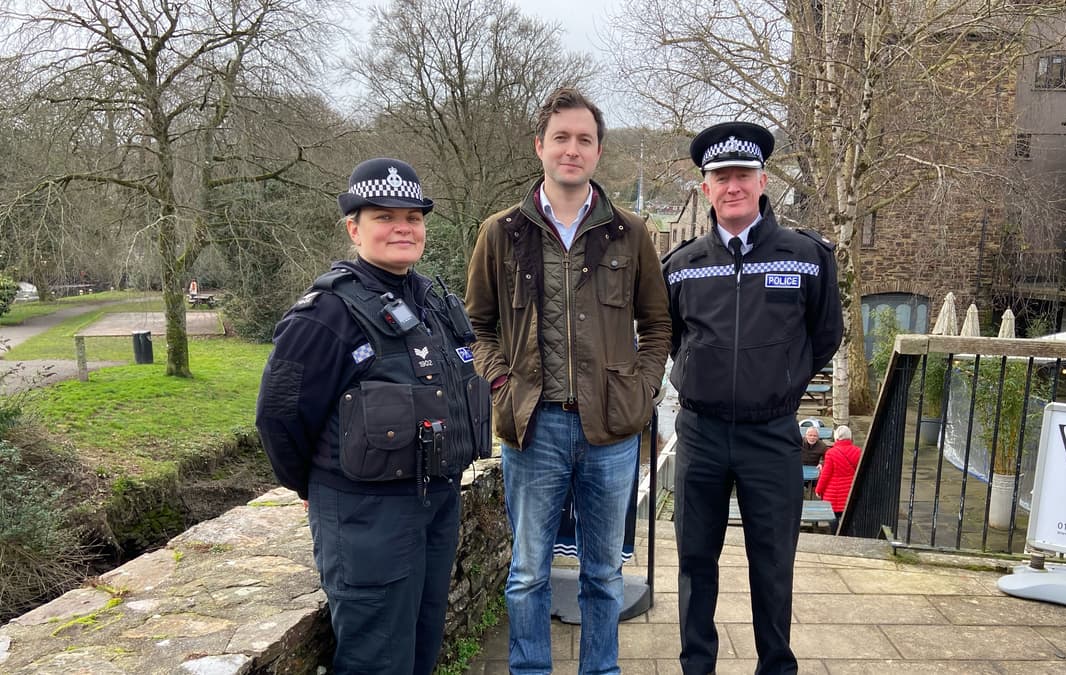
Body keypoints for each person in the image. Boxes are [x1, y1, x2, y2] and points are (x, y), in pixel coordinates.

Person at [255, 158, 492, 674]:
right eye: (384, 216)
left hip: (436, 501)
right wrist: (314, 489)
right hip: (367, 514)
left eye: (413, 216)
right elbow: (278, 416)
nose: (402, 227)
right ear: (354, 228)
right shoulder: (325, 315)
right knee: (376, 660)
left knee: (423, 643)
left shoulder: (431, 301)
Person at [465, 87, 671, 674]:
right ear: (540, 147)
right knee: (528, 572)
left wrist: (642, 388)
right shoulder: (500, 232)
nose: (572, 149)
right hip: (533, 428)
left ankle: (600, 669)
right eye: (561, 138)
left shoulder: (630, 233)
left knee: (604, 572)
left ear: (599, 150)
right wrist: (503, 385)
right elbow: (477, 325)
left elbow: (658, 325)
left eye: (584, 139)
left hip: (611, 430)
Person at [662, 121, 844, 675]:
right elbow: (671, 339)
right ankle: (698, 665)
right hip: (701, 434)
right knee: (695, 561)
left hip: (771, 435)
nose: (732, 185)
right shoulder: (681, 266)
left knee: (772, 563)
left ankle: (776, 666)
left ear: (763, 181)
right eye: (720, 176)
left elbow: (826, 334)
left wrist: (783, 382)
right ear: (704, 188)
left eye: (743, 174)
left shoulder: (808, 256)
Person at [815, 425, 863, 529]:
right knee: (848, 514)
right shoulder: (858, 451)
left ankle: (835, 535)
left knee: (833, 517)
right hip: (850, 488)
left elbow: (825, 475)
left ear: (836, 437)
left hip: (833, 491)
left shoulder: (831, 453)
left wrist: (818, 489)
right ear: (850, 436)